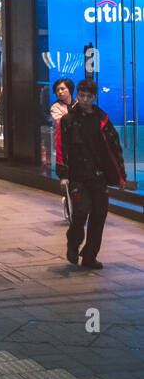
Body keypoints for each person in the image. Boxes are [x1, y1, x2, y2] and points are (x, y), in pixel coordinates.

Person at [56, 79, 126, 271]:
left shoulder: (102, 119)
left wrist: (120, 176)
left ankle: (89, 255)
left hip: (98, 176)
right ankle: (73, 243)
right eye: (82, 95)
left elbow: (114, 147)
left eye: (89, 96)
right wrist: (63, 174)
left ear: (94, 97)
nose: (85, 99)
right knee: (80, 213)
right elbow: (61, 148)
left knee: (99, 215)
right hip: (78, 176)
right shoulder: (68, 120)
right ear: (77, 95)